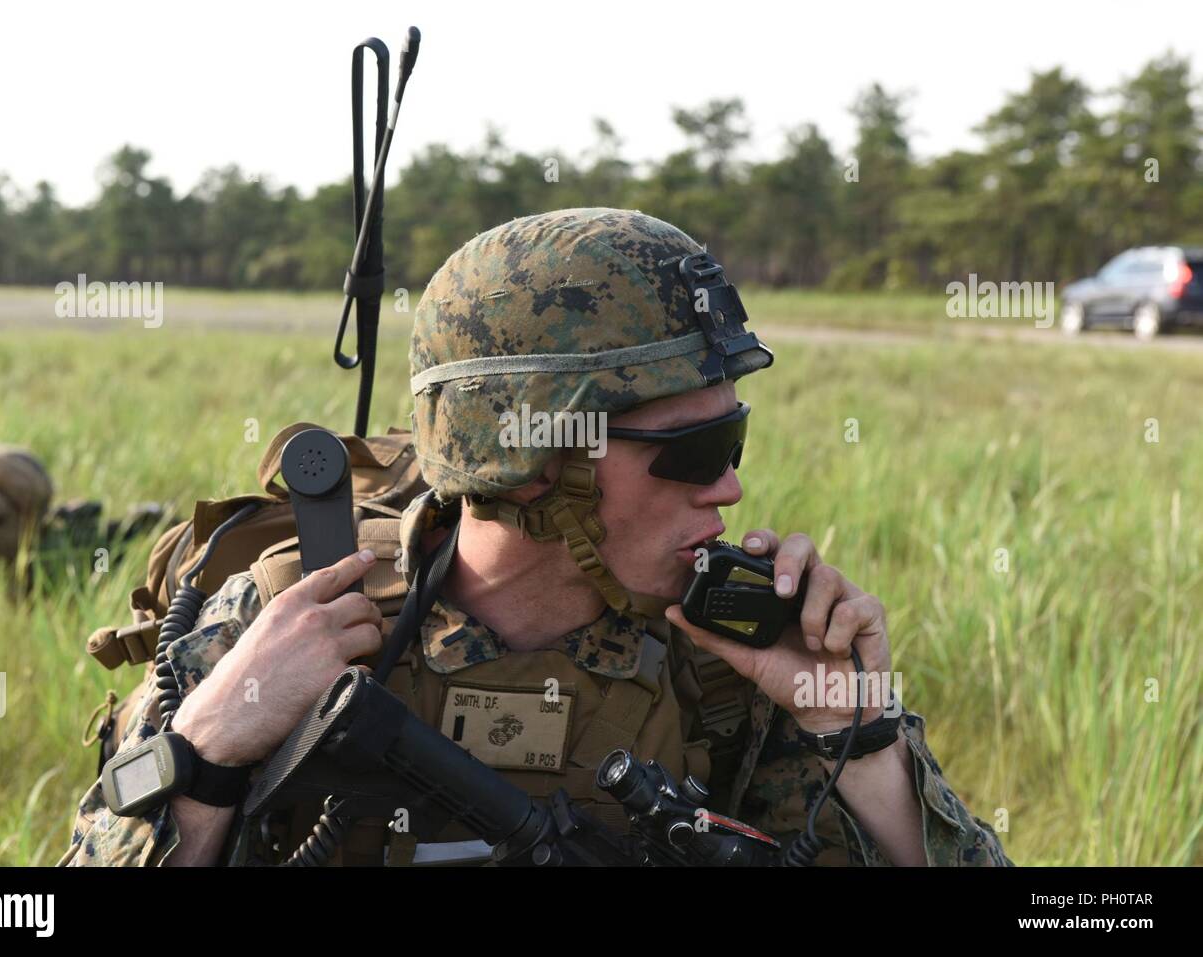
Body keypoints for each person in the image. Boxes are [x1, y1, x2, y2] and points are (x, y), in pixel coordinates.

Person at [60, 208, 1010, 867]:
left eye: (737, 437)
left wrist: (858, 726)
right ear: (532, 456)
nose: (731, 484)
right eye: (697, 448)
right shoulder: (285, 622)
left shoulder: (732, 667)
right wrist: (207, 750)